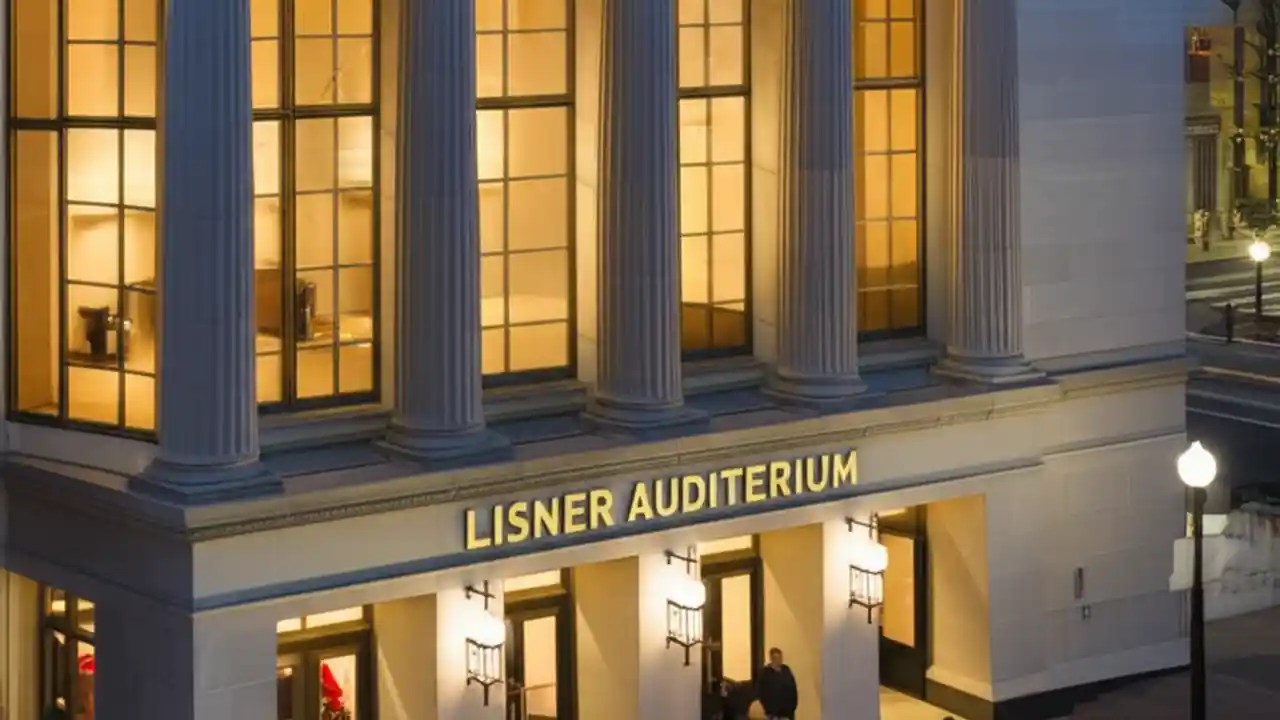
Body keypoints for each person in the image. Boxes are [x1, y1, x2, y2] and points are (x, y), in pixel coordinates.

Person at [756, 647, 799, 720]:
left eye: (780, 657)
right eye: (776, 658)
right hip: (773, 713)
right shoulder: (765, 673)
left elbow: (793, 688)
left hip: (787, 712)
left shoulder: (786, 670)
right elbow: (760, 691)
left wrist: (793, 705)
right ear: (771, 658)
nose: (779, 660)